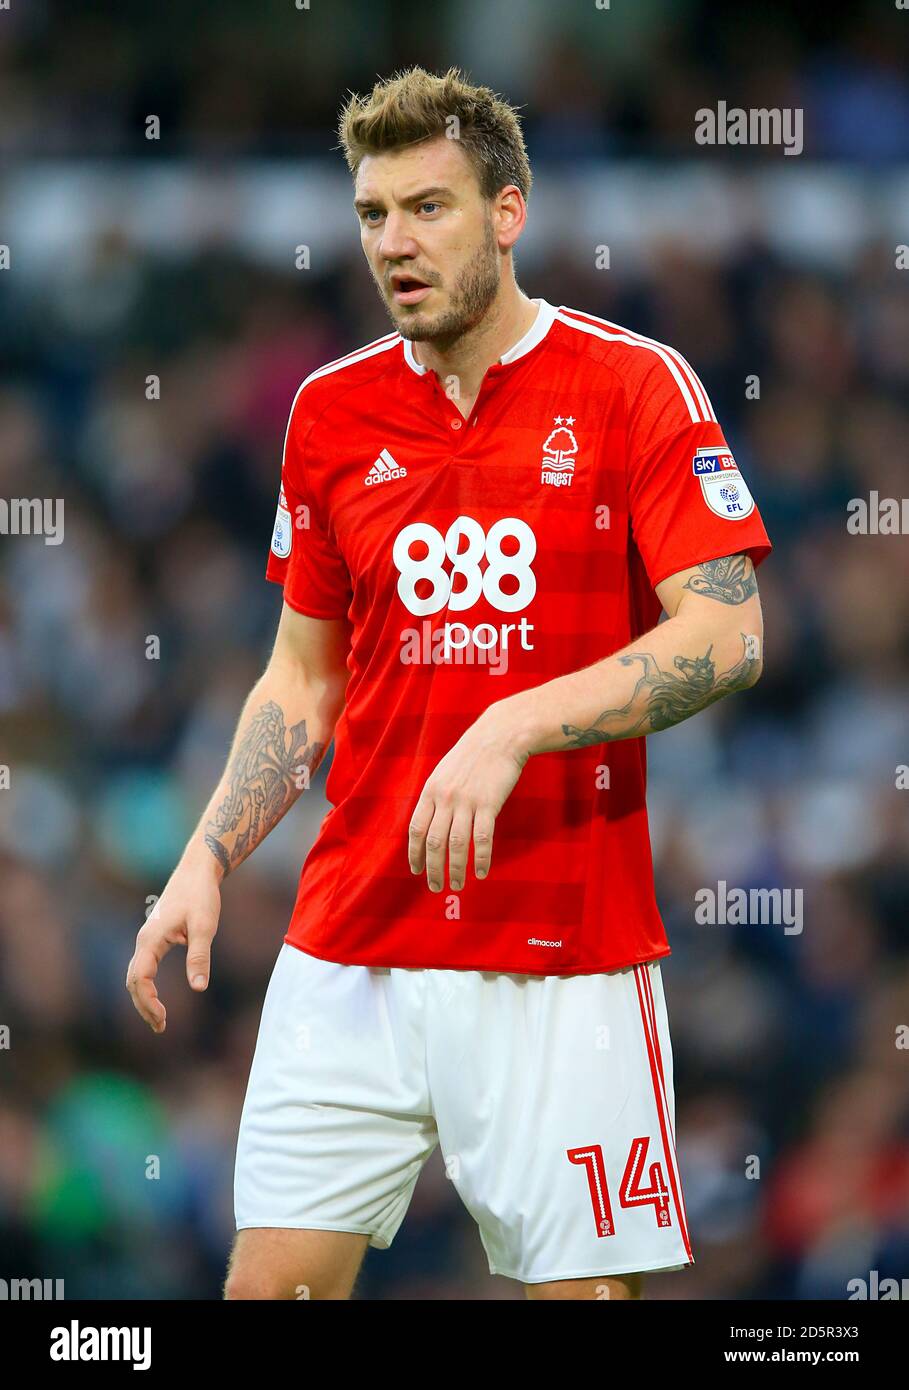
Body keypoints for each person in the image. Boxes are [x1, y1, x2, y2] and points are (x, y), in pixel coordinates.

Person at [126, 65, 771, 1300]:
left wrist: (517, 721)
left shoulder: (635, 386)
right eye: (373, 215)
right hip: (351, 943)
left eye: (428, 208)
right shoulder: (328, 412)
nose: (394, 244)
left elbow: (730, 633)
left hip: (561, 954)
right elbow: (300, 681)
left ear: (509, 212)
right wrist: (208, 853)